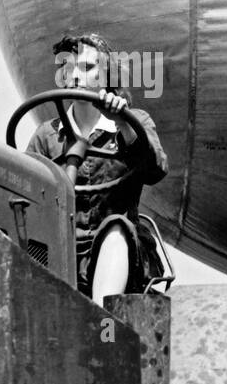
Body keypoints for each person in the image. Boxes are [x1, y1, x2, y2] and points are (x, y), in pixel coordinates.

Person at [26, 32, 168, 304]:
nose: (77, 76)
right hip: (58, 252)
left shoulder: (134, 122)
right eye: (69, 68)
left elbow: (155, 170)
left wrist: (123, 124)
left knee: (115, 227)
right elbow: (25, 196)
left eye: (88, 68)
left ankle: (103, 317)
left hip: (123, 251)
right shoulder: (46, 136)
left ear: (106, 76)